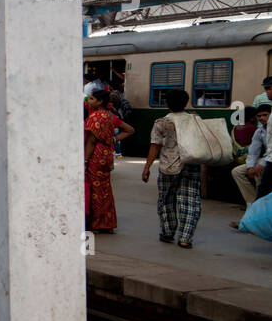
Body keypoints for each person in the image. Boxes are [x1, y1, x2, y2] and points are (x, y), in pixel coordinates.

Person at [142, 89, 202, 249]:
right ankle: (185, 238)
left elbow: (154, 146)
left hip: (167, 165)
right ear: (186, 103)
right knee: (190, 201)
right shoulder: (194, 119)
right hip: (190, 164)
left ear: (167, 103)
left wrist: (147, 167)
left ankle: (168, 232)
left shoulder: (161, 122)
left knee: (166, 199)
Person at [84, 88, 133, 233]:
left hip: (96, 156)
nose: (90, 101)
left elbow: (91, 142)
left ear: (100, 102)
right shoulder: (111, 116)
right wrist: (114, 139)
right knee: (106, 189)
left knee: (95, 189)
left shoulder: (95, 118)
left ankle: (97, 225)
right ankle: (108, 224)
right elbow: (130, 130)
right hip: (107, 155)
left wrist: (85, 161)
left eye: (92, 99)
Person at [230, 100, 272, 221]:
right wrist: (250, 167)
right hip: (261, 160)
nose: (261, 118)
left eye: (265, 115)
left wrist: (258, 166)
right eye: (259, 116)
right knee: (237, 172)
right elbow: (253, 151)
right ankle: (252, 203)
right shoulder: (257, 131)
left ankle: (259, 206)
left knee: (260, 172)